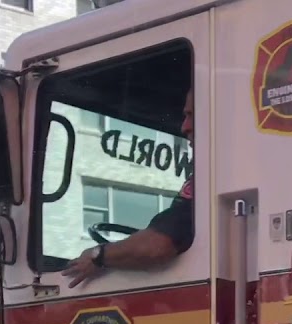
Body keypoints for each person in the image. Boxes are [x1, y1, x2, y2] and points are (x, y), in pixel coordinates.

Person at [61, 87, 195, 289]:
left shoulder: (210, 177)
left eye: (192, 115)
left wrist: (98, 256)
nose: (184, 127)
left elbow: (157, 246)